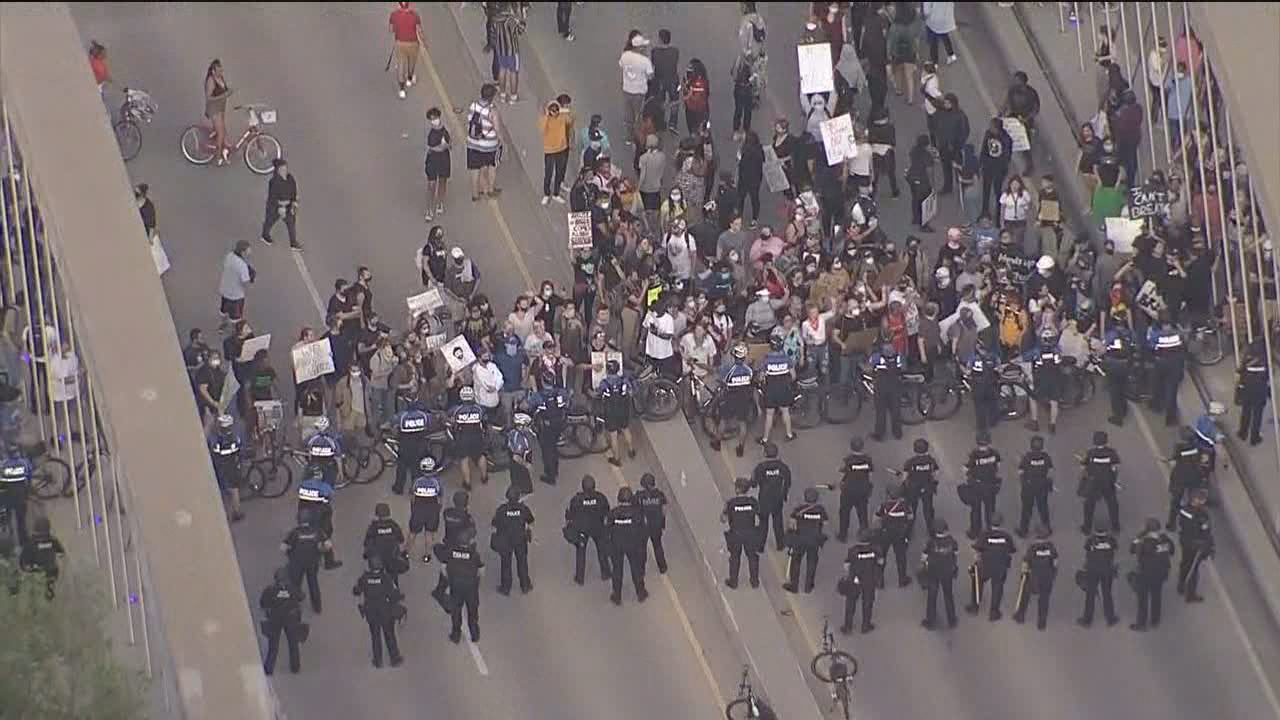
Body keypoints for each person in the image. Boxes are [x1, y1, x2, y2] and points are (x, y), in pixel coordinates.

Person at [351, 554, 405, 668]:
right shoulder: (386, 578)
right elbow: (395, 594)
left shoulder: (364, 578)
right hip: (386, 611)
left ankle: (378, 660)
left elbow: (356, 591)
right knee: (389, 634)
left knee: (375, 636)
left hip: (371, 612)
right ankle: (394, 658)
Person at [966, 512, 1017, 621]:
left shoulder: (985, 535)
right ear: (1001, 523)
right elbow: (1012, 550)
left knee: (977, 583)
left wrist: (977, 558)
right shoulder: (1006, 536)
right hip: (1000, 566)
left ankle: (974, 606)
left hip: (985, 565)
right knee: (997, 588)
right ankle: (994, 612)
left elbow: (977, 548)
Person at [1130, 517, 1176, 631]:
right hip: (1161, 573)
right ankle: (1155, 620)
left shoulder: (1145, 542)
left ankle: (1141, 624)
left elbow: (1133, 550)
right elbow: (1172, 551)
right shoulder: (1165, 539)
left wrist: (1137, 538)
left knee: (1143, 599)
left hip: (1146, 574)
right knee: (1156, 596)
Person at [439, 526, 484, 643]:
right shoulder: (474, 554)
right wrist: (476, 582)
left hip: (456, 585)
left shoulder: (450, 552)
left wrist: (450, 580)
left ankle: (456, 635)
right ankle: (474, 635)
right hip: (470, 586)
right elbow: (481, 570)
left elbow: (443, 568)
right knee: (472, 612)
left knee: (456, 611)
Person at [606, 486, 649, 605]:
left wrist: (609, 546)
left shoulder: (613, 514)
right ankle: (640, 592)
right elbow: (644, 531)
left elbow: (607, 530)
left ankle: (617, 595)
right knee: (636, 569)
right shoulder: (637, 514)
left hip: (617, 546)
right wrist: (642, 546)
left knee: (617, 570)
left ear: (619, 499)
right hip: (633, 545)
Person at [258, 567, 304, 675]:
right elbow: (301, 596)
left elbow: (263, 603)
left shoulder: (270, 590)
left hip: (275, 618)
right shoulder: (292, 589)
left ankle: (269, 668)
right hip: (290, 618)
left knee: (273, 646)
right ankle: (295, 667)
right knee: (293, 643)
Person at [282, 509, 329, 615]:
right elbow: (328, 545)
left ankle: (295, 606)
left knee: (296, 584)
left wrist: (290, 554)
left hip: (297, 563)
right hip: (312, 562)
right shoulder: (317, 531)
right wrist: (319, 552)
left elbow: (283, 548)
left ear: (298, 519)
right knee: (313, 583)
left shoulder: (294, 533)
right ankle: (317, 607)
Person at [839, 527, 885, 635]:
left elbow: (847, 566)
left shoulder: (853, 550)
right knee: (868, 603)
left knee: (851, 603)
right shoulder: (876, 549)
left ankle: (848, 627)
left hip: (855, 580)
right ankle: (865, 626)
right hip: (870, 580)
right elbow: (881, 562)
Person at [566, 475, 611, 584]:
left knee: (580, 553)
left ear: (582, 487)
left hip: (582, 530)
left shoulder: (576, 500)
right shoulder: (601, 497)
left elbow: (570, 515)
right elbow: (607, 511)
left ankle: (579, 578)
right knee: (602, 551)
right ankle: (606, 573)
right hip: (598, 528)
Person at [783, 487, 828, 594]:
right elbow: (825, 523)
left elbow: (792, 524)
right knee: (812, 562)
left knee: (796, 562)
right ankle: (809, 586)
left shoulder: (799, 510)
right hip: (814, 540)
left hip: (800, 540)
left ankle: (794, 586)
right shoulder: (820, 510)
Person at [1011, 524, 1057, 629]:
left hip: (1033, 578)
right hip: (1046, 578)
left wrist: (1024, 573)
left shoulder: (1032, 548)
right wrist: (1052, 574)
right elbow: (1055, 563)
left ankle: (1020, 615)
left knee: (1025, 595)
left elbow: (1026, 563)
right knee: (1044, 600)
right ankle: (1041, 623)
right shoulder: (1051, 548)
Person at [491, 485, 535, 595]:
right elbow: (530, 520)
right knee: (522, 562)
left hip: (505, 540)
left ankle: (505, 588)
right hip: (520, 539)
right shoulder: (523, 509)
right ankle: (525, 585)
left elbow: (494, 523)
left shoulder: (502, 510)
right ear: (519, 497)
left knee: (506, 564)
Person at [714, 342, 754, 456]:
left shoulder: (728, 369)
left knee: (723, 420)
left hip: (729, 398)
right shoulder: (749, 370)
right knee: (742, 423)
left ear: (734, 356)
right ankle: (741, 448)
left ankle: (717, 442)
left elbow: (722, 381)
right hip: (744, 400)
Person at [723, 477, 763, 589]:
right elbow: (759, 517)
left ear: (737, 489)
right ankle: (754, 582)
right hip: (750, 533)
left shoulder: (731, 503)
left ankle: (733, 582)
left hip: (736, 534)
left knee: (735, 558)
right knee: (752, 557)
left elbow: (723, 519)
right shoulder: (753, 502)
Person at [751, 442, 792, 551]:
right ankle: (780, 544)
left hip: (764, 500)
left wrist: (753, 479)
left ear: (765, 454)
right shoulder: (783, 467)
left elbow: (754, 484)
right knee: (778, 522)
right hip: (777, 499)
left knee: (763, 524)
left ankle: (760, 547)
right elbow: (788, 482)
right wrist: (784, 495)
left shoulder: (760, 468)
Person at [1079, 430, 1121, 534]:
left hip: (1094, 482)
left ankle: (1087, 528)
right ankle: (1115, 526)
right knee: (1112, 504)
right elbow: (1115, 467)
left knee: (1089, 505)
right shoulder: (1112, 452)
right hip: (1108, 481)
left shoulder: (1090, 453)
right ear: (1106, 441)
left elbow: (1083, 466)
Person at [1147, 313, 1186, 426]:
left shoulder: (1157, 335)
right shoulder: (1178, 334)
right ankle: (1171, 418)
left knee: (1157, 385)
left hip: (1161, 363)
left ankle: (1157, 405)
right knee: (1171, 391)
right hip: (1175, 364)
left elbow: (1150, 347)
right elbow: (1184, 345)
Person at [920, 518, 959, 629]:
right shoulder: (952, 541)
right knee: (948, 595)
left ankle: (930, 621)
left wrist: (924, 565)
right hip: (947, 572)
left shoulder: (931, 542)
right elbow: (956, 554)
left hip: (933, 572)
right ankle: (952, 620)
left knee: (932, 596)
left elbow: (924, 557)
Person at [465, 83, 502, 201]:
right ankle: (490, 189)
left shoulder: (473, 105)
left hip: (473, 143)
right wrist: (501, 140)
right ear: (491, 97)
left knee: (475, 168)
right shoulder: (492, 110)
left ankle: (475, 193)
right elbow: (497, 128)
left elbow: (469, 120)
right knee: (492, 166)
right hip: (489, 146)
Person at [596, 360, 636, 466]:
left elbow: (599, 393)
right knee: (626, 429)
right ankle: (631, 450)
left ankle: (617, 459)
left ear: (607, 371)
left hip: (610, 411)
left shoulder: (604, 383)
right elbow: (631, 393)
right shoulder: (624, 380)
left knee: (613, 435)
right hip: (623, 409)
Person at [1077, 528, 1120, 627]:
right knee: (1107, 594)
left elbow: (1087, 551)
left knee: (1090, 595)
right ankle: (1110, 618)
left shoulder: (1090, 540)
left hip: (1092, 570)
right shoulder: (1111, 540)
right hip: (1107, 570)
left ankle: (1087, 620)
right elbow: (1115, 550)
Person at [757, 336, 796, 445]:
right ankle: (789, 434)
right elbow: (793, 376)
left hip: (770, 391)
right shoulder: (787, 359)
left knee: (769, 415)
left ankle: (765, 439)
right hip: (784, 390)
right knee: (785, 411)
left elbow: (760, 377)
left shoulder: (766, 360)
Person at [962, 431, 1001, 539]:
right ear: (989, 442)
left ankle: (975, 531)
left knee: (975, 509)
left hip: (977, 485)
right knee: (990, 508)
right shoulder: (994, 453)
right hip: (991, 484)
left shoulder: (974, 455)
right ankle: (990, 529)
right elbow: (998, 466)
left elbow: (966, 469)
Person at [1175, 489, 1212, 603]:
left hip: (1186, 542)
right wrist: (1206, 545)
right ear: (1196, 500)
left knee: (1185, 564)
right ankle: (1190, 594)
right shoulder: (1201, 515)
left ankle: (1181, 586)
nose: (1203, 502)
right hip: (1195, 545)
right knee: (1193, 570)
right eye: (1201, 500)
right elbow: (1204, 531)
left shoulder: (1185, 510)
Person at [874, 483, 914, 588]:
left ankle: (879, 581)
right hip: (900, 534)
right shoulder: (905, 505)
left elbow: (876, 519)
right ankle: (902, 579)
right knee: (901, 557)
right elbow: (910, 517)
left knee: (882, 556)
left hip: (885, 533)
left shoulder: (884, 505)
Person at [1164, 428, 1204, 530]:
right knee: (1193, 499)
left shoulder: (1180, 447)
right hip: (1193, 477)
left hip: (1180, 477)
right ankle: (1193, 521)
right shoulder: (1198, 447)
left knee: (1175, 501)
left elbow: (1174, 460)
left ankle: (1171, 523)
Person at [898, 438, 939, 537]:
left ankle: (908, 532)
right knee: (928, 510)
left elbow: (904, 477)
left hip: (913, 489)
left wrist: (902, 480)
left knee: (911, 510)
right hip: (927, 488)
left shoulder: (911, 462)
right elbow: (936, 473)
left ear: (914, 449)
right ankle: (932, 531)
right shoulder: (931, 460)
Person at [449, 385, 488, 490]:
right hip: (477, 436)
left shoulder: (456, 409)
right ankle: (484, 477)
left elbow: (451, 420)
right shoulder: (479, 409)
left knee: (464, 459)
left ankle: (467, 483)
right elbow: (484, 420)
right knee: (481, 456)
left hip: (462, 437)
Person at [208, 414, 245, 523]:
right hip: (234, 466)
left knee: (226, 492)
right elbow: (239, 450)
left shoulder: (219, 441)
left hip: (223, 468)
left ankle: (227, 515)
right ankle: (237, 511)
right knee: (235, 490)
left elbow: (215, 453)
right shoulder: (234, 438)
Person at [835, 437, 873, 541]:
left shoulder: (848, 460)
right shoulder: (868, 459)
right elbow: (870, 473)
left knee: (844, 512)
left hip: (849, 490)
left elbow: (842, 470)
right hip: (862, 490)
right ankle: (864, 534)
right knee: (862, 512)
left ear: (851, 447)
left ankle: (843, 535)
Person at [1025, 327, 1062, 433]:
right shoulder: (1057, 350)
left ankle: (1034, 422)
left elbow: (1026, 356)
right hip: (1055, 379)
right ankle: (1052, 426)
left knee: (1032, 398)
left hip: (1040, 380)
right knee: (1054, 401)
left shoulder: (1037, 351)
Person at [406, 457, 443, 563]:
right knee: (429, 534)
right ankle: (427, 555)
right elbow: (440, 498)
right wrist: (437, 509)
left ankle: (406, 553)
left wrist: (413, 508)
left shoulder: (417, 481)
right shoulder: (437, 482)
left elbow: (412, 496)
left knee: (412, 533)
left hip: (418, 511)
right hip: (432, 512)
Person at [532, 382, 570, 485]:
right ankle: (555, 469)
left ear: (543, 382)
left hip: (546, 426)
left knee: (546, 450)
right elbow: (566, 402)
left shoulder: (539, 396)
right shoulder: (560, 392)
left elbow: (529, 404)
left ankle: (550, 475)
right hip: (558, 424)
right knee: (553, 447)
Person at [1015, 435, 1053, 537]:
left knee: (1026, 509)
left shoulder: (1027, 457)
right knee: (1043, 508)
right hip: (1042, 486)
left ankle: (1023, 530)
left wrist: (1023, 481)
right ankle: (1047, 528)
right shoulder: (1046, 457)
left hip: (1029, 486)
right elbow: (1050, 471)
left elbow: (1020, 471)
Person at [538, 96, 573, 205]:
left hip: (561, 149)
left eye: (556, 109)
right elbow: (541, 128)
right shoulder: (546, 119)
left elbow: (570, 121)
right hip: (549, 151)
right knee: (548, 173)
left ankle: (556, 193)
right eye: (552, 110)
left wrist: (563, 111)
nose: (555, 112)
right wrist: (546, 115)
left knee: (559, 172)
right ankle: (546, 193)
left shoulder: (562, 117)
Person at [391, 400, 430, 495]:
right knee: (416, 468)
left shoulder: (401, 416)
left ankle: (398, 488)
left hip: (405, 445)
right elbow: (430, 426)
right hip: (420, 445)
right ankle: (414, 489)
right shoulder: (424, 416)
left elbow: (393, 425)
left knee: (401, 467)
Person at [363, 503, 406, 586]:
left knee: (378, 574)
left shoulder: (373, 527)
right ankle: (394, 590)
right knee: (393, 574)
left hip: (377, 557)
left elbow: (367, 542)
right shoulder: (393, 525)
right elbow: (401, 539)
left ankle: (380, 590)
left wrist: (367, 554)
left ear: (377, 514)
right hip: (392, 555)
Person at [260, 158, 300, 249]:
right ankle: (265, 235)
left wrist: (294, 202)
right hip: (274, 208)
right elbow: (272, 197)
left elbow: (294, 190)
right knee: (270, 221)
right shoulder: (274, 182)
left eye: (285, 168)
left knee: (291, 224)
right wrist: (280, 206)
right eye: (282, 169)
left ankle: (293, 242)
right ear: (277, 170)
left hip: (288, 206)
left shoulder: (290, 178)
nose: (284, 170)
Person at [1236, 341, 1270, 446]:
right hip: (1260, 389)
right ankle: (1254, 437)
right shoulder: (1265, 359)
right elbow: (1268, 376)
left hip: (1247, 388)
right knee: (1257, 414)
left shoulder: (1247, 358)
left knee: (1246, 411)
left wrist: (1239, 388)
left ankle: (1243, 432)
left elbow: (1240, 373)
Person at [389, 1, 426, 99]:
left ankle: (402, 90)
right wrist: (424, 42)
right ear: (409, 5)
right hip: (413, 43)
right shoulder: (415, 16)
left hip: (400, 43)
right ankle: (409, 80)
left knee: (401, 65)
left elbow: (391, 30)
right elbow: (419, 30)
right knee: (412, 63)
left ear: (399, 4)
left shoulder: (394, 15)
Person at [868, 343, 904, 441]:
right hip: (895, 385)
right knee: (896, 410)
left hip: (881, 386)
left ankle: (880, 434)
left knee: (880, 411)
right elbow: (901, 368)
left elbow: (870, 363)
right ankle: (897, 433)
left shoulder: (877, 357)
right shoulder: (897, 357)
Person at [636, 473, 669, 574]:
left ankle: (641, 569)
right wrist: (662, 523)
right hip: (656, 525)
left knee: (642, 548)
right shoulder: (660, 495)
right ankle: (662, 567)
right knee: (658, 546)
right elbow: (664, 510)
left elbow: (635, 510)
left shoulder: (639, 496)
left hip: (644, 526)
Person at [492, 4, 525, 103]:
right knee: (513, 72)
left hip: (501, 50)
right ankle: (513, 96)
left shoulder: (495, 19)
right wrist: (520, 18)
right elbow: (520, 30)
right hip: (512, 50)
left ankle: (502, 94)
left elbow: (493, 33)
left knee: (502, 70)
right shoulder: (510, 20)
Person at [424, 107, 452, 221]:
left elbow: (450, 144)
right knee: (431, 185)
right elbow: (433, 147)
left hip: (444, 158)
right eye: (432, 119)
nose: (434, 120)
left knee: (443, 181)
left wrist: (445, 145)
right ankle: (429, 209)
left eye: (435, 118)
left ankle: (440, 202)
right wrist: (443, 146)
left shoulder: (445, 131)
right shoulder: (431, 134)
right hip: (433, 160)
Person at [218, 241, 255, 327]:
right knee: (235, 318)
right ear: (243, 252)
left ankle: (222, 325)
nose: (250, 253)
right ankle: (235, 332)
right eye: (248, 252)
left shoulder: (229, 256)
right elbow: (245, 282)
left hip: (224, 289)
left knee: (223, 310)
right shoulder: (242, 266)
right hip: (236, 295)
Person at [204, 59, 233, 164]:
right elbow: (209, 98)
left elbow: (224, 89)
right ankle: (218, 156)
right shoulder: (211, 81)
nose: (221, 72)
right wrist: (224, 95)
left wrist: (228, 91)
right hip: (214, 109)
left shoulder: (220, 78)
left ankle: (224, 147)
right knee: (221, 133)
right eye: (219, 71)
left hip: (221, 108)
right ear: (213, 71)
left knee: (222, 129)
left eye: (222, 70)